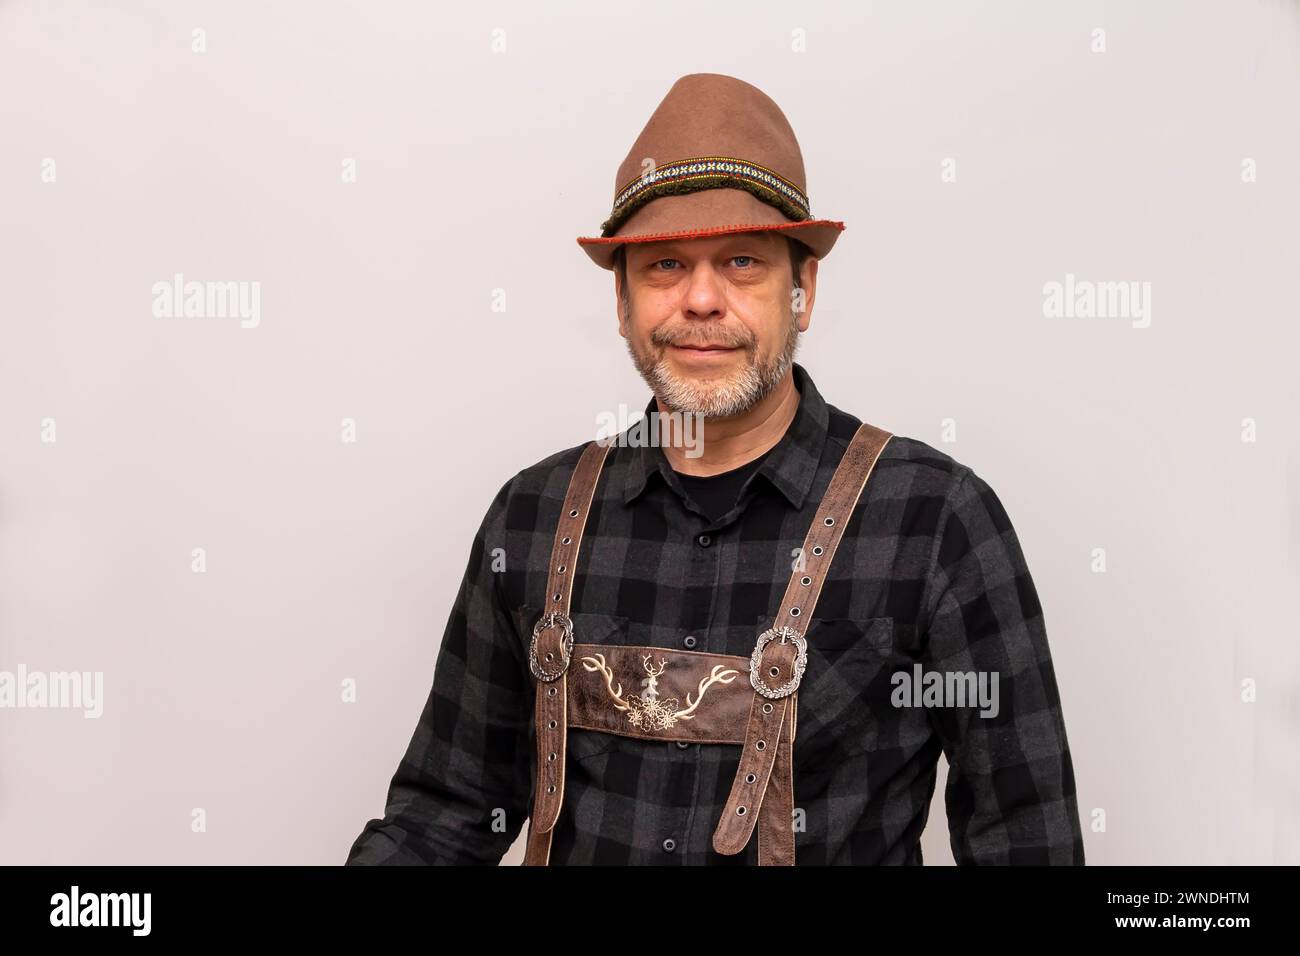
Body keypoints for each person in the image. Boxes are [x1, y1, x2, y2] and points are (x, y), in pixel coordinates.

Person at [346, 73, 1084, 865]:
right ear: (623, 303)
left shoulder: (936, 521)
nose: (701, 300)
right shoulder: (530, 516)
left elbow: (1027, 842)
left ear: (802, 290)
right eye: (664, 265)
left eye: (740, 262)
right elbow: (441, 817)